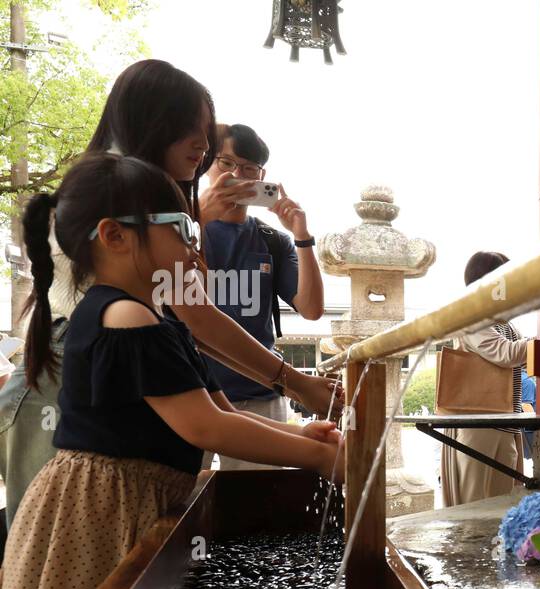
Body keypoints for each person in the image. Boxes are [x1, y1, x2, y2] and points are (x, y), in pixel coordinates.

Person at [0, 153, 343, 589]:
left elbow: (222, 411)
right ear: (115, 236)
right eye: (182, 226)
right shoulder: (125, 317)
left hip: (127, 497)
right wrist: (319, 460)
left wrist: (302, 437)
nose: (194, 241)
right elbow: (205, 427)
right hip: (98, 510)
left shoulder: (159, 320)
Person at [0, 59, 341, 528]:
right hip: (61, 381)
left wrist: (293, 419)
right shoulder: (118, 207)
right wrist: (302, 409)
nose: (203, 144)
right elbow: (196, 322)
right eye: (190, 129)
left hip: (110, 394)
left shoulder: (149, 223)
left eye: (205, 129)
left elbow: (185, 340)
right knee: (60, 543)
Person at [197, 123, 326, 468]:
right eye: (226, 163)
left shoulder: (272, 241)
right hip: (194, 395)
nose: (237, 175)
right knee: (181, 505)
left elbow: (312, 310)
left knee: (259, 507)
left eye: (248, 168)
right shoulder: (182, 231)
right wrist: (198, 216)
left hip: (260, 395)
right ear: (207, 163)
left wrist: (302, 236)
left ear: (262, 176)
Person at [440, 251, 532, 506]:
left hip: (503, 419)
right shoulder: (472, 317)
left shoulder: (502, 322)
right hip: (478, 422)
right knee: (475, 501)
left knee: (501, 503)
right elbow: (505, 353)